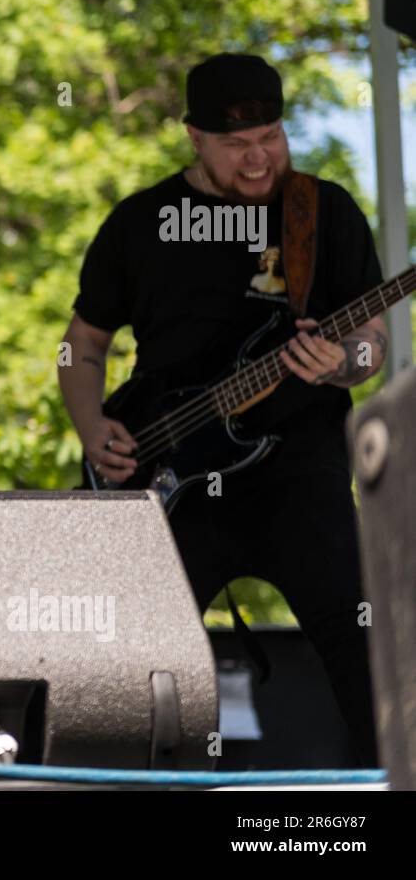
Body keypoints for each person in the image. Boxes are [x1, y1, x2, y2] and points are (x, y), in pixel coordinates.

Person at [58, 53, 386, 765]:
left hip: (299, 473)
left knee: (372, 644)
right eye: (237, 145)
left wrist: (343, 364)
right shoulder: (140, 222)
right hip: (163, 475)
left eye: (271, 137)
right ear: (193, 138)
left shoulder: (321, 212)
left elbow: (372, 344)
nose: (259, 158)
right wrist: (91, 428)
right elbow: (82, 345)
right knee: (122, 668)